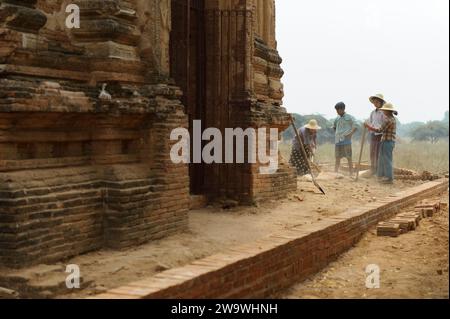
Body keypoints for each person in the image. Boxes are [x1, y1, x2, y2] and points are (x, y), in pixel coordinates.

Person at [365, 103, 398, 184]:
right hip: (387, 141)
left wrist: (368, 127)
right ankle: (381, 176)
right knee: (382, 159)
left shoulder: (388, 120)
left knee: (386, 160)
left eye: (384, 110)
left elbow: (379, 130)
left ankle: (389, 178)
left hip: (387, 141)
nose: (383, 111)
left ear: (388, 111)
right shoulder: (392, 119)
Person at [333, 102, 358, 175]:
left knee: (348, 157)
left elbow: (355, 126)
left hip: (346, 141)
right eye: (336, 110)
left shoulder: (349, 117)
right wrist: (337, 133)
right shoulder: (337, 118)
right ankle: (335, 172)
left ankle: (351, 172)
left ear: (343, 109)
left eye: (338, 110)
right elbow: (334, 127)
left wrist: (350, 134)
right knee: (337, 157)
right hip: (338, 141)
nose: (337, 111)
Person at [368, 94, 387, 176]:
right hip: (373, 135)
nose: (375, 103)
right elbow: (371, 123)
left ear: (381, 102)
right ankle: (373, 169)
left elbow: (384, 125)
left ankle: (380, 171)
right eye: (374, 102)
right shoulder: (372, 113)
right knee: (372, 153)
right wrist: (369, 128)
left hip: (381, 135)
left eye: (377, 102)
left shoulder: (384, 113)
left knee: (379, 153)